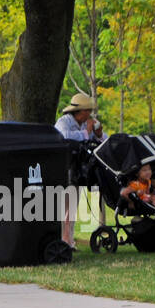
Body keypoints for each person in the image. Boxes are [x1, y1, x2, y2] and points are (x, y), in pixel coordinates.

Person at [55, 92, 104, 248]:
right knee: (64, 208)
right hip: (64, 169)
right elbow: (64, 136)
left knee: (72, 208)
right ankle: (64, 240)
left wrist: (99, 134)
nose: (89, 114)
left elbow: (104, 142)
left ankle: (68, 240)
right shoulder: (64, 122)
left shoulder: (85, 125)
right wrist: (86, 133)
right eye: (87, 111)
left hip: (78, 170)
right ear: (79, 111)